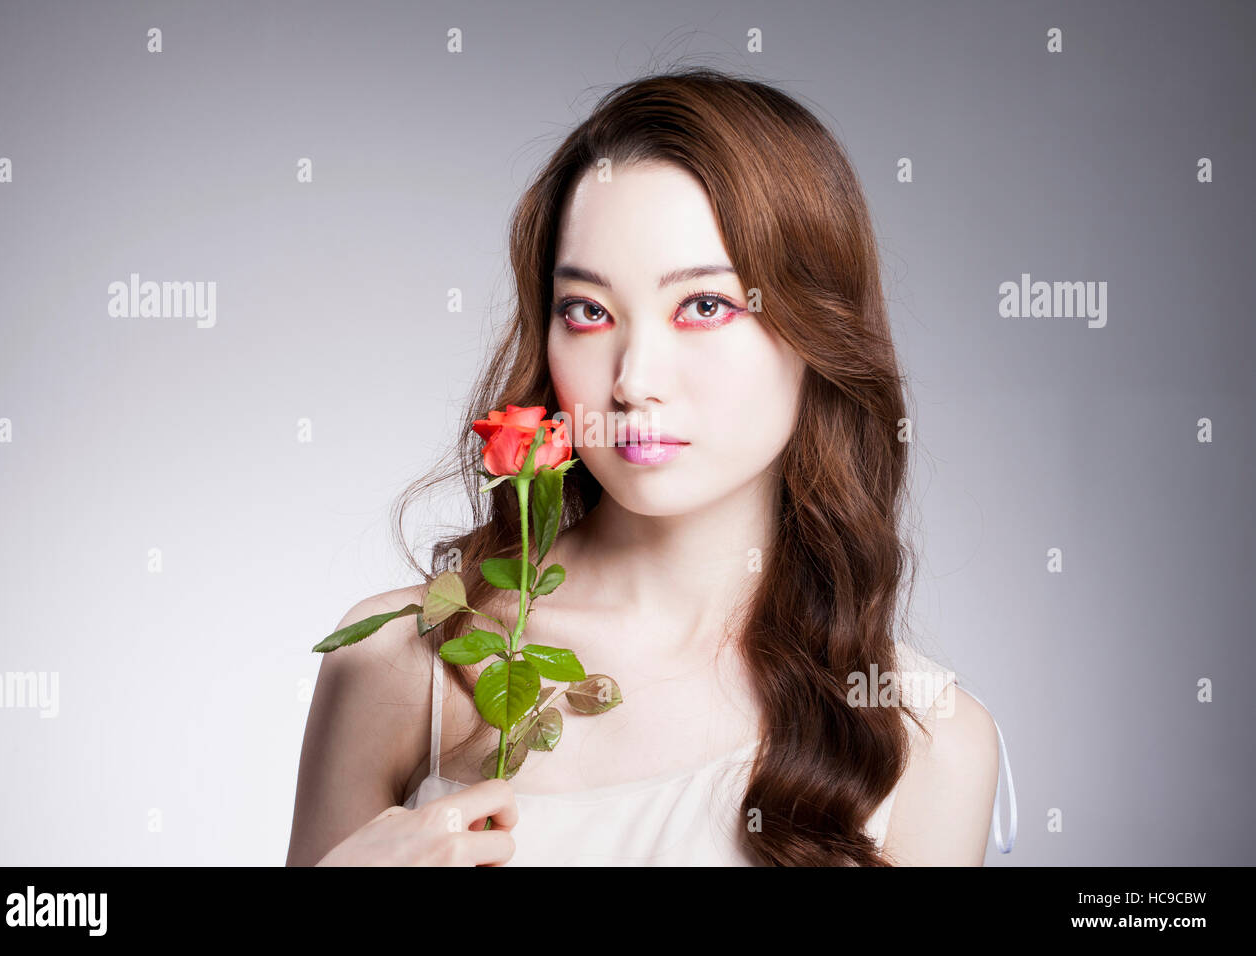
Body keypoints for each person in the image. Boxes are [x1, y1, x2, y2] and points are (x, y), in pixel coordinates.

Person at [286, 66, 1015, 867]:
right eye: (588, 311)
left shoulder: (928, 740)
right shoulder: (401, 666)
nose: (633, 380)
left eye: (704, 305)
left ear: (817, 328)